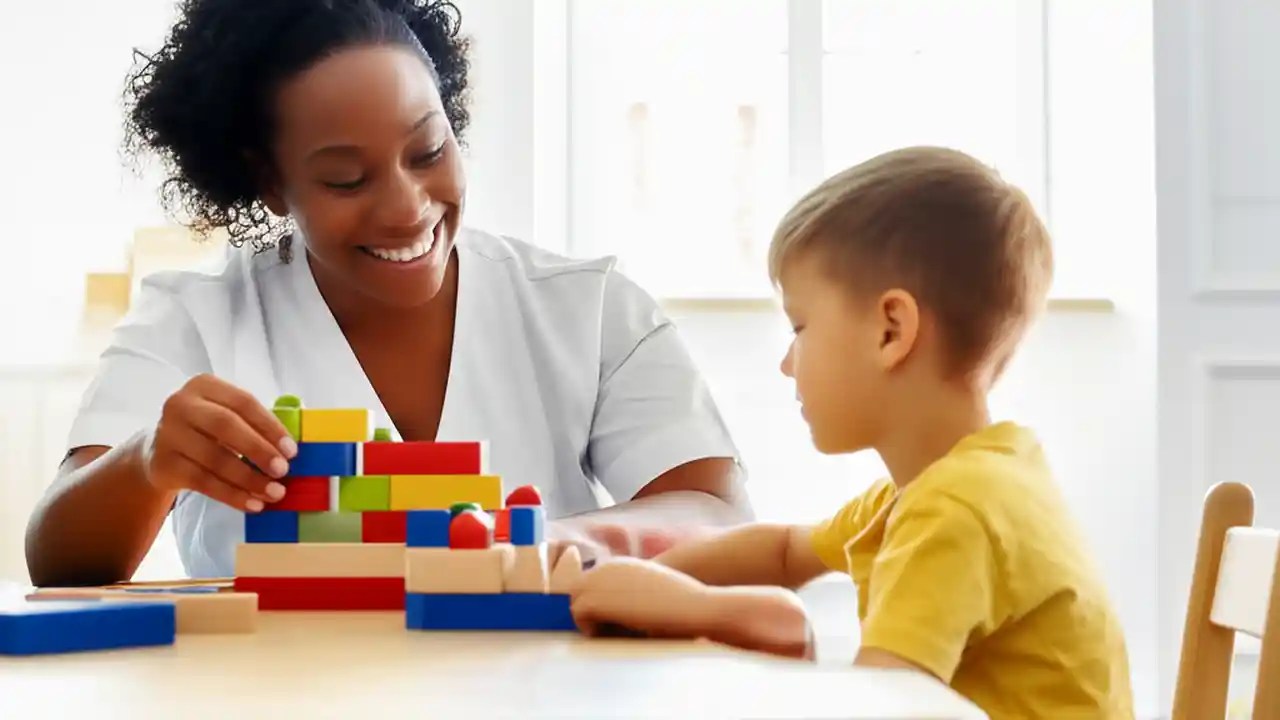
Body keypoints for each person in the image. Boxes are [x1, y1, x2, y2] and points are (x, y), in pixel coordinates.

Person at [24, 0, 749, 587]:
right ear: (270, 182)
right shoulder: (196, 318)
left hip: (536, 688)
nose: (407, 208)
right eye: (346, 180)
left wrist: (549, 542)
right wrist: (148, 461)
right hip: (273, 696)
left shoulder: (589, 308)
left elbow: (718, 515)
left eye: (428, 152)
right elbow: (57, 561)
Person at [569, 147, 1135, 718]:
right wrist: (640, 581)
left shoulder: (957, 510)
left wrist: (701, 609)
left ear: (891, 330)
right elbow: (783, 552)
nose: (787, 364)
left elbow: (883, 705)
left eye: (800, 327)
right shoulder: (967, 479)